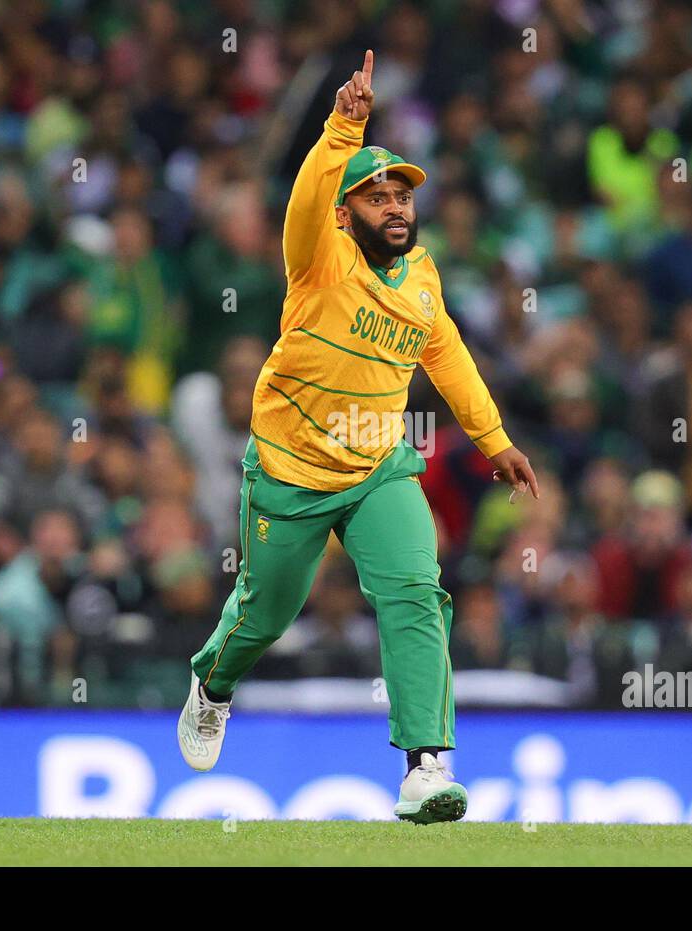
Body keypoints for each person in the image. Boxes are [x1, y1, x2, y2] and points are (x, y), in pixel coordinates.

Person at [176, 51, 538, 825]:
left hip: (378, 466)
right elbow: (309, 193)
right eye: (376, 197)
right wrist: (345, 125)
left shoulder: (425, 276)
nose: (395, 206)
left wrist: (492, 437)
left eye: (402, 193)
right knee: (265, 614)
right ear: (346, 215)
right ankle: (212, 687)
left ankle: (424, 766)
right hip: (290, 470)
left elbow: (445, 354)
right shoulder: (318, 257)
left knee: (414, 593)